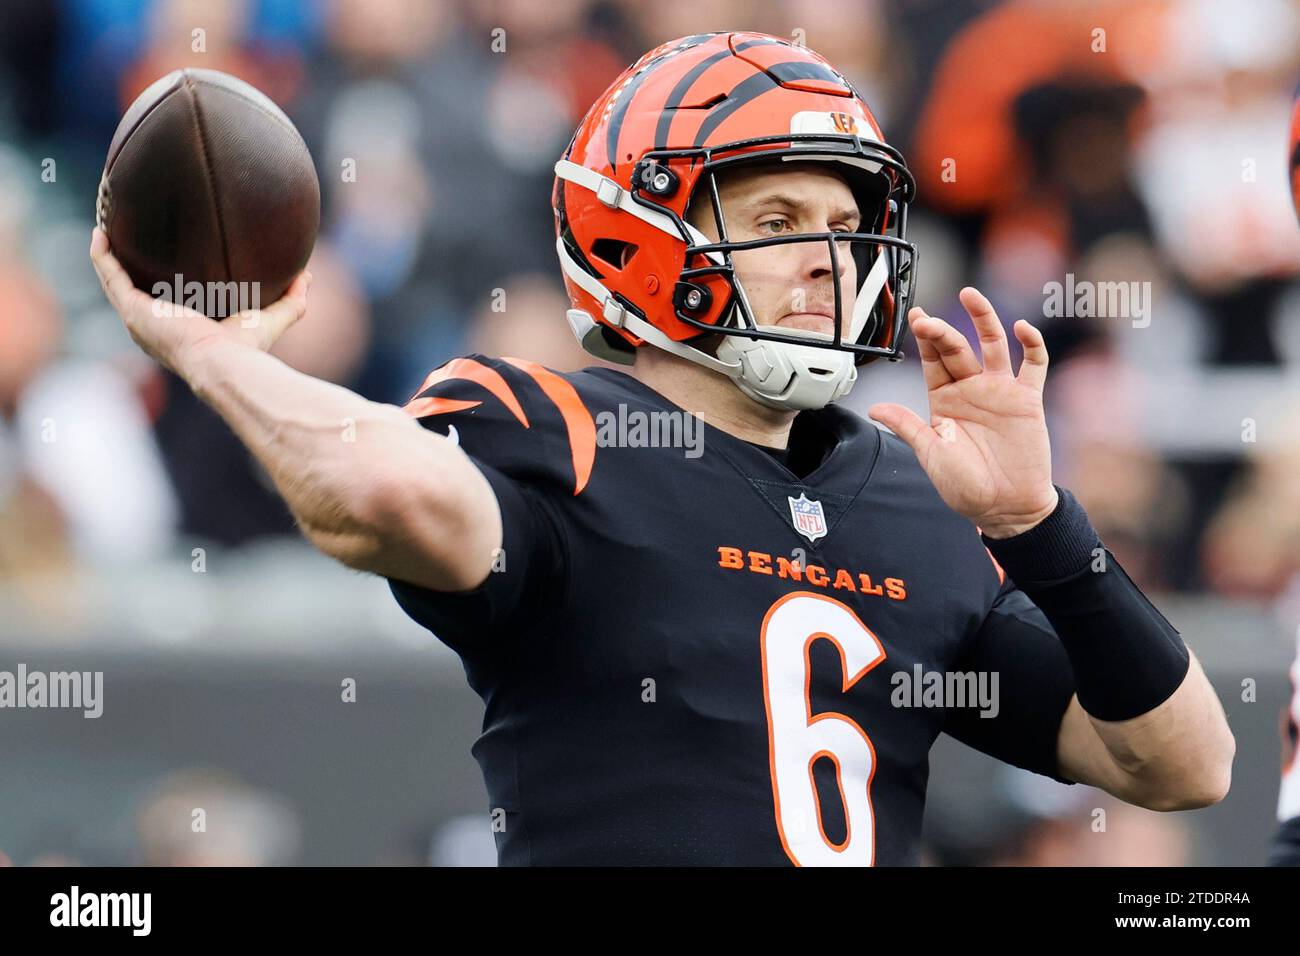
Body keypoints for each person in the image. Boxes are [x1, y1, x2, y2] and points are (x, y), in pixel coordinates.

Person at [90, 32, 1234, 866]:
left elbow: (1181, 765)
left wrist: (1041, 525)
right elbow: (373, 490)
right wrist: (211, 350)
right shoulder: (556, 430)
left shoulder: (914, 495)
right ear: (637, 235)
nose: (827, 265)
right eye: (778, 224)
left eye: (843, 228)